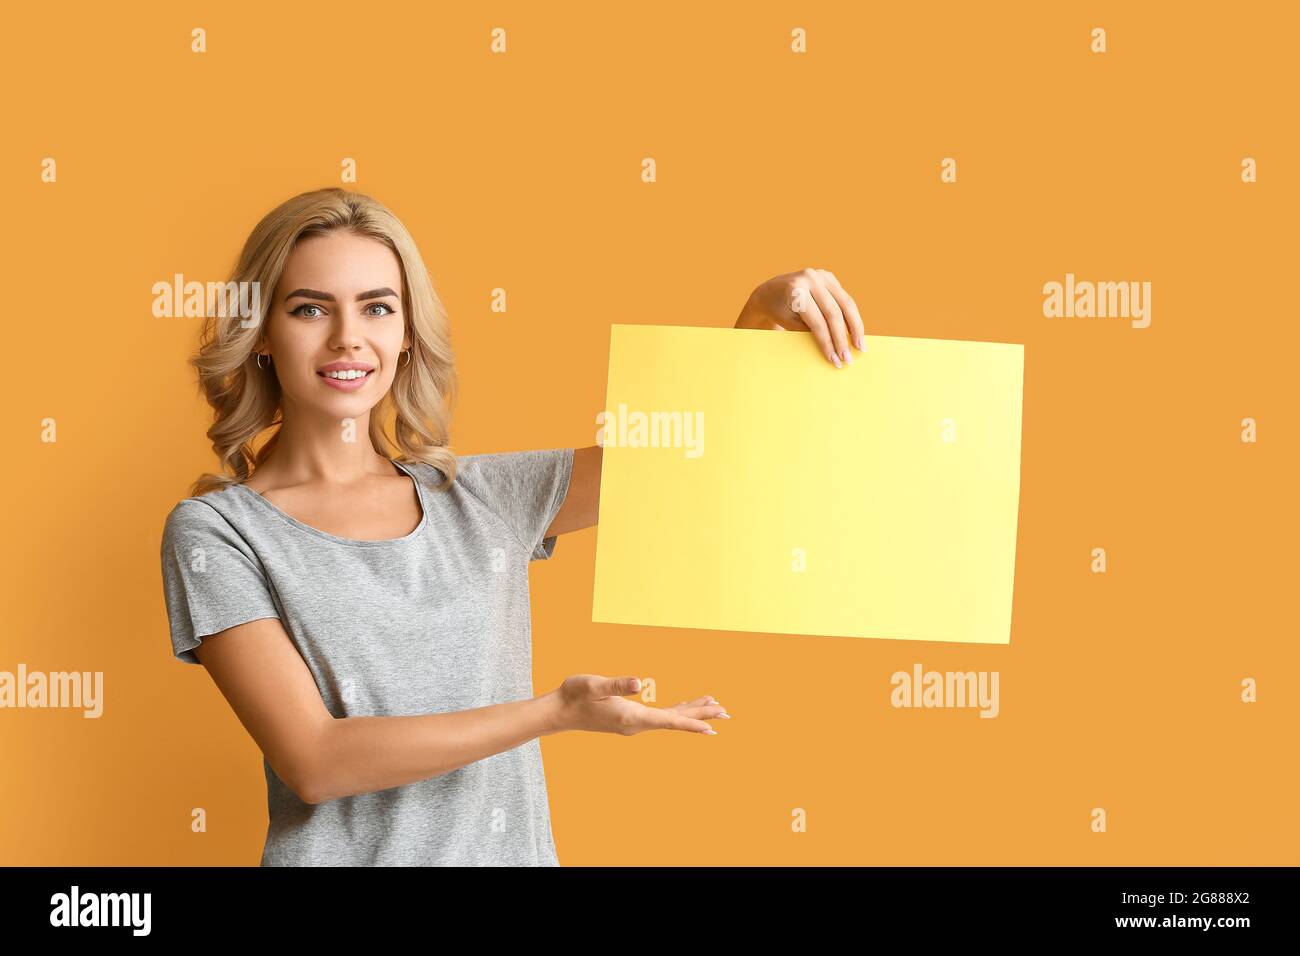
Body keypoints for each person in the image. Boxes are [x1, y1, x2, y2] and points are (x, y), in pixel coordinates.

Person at [159, 186, 867, 866]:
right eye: (311, 310)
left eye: (377, 308)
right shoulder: (220, 532)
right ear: (261, 335)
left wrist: (760, 315)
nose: (349, 339)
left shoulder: (481, 497)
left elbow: (681, 460)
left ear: (406, 334)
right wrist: (554, 712)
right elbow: (315, 760)